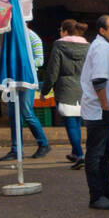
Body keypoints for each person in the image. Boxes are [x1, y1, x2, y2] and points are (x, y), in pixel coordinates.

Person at [80, 15, 109, 210]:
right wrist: (106, 108)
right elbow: (99, 80)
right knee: (96, 154)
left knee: (105, 153)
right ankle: (96, 196)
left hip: (102, 110)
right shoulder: (101, 48)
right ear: (102, 30)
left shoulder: (106, 47)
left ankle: (107, 190)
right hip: (99, 110)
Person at [0, 18, 51, 161]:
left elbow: (39, 61)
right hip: (12, 80)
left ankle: (43, 144)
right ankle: (16, 149)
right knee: (12, 114)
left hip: (27, 80)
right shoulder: (10, 38)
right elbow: (2, 54)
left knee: (26, 112)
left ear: (24, 23)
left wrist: (18, 64)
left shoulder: (34, 38)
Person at [41, 18, 90, 168]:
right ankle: (75, 153)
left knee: (70, 123)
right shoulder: (88, 46)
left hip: (65, 89)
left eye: (61, 30)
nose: (60, 33)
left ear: (65, 31)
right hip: (83, 89)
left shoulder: (59, 45)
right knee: (77, 122)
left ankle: (80, 155)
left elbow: (53, 70)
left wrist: (45, 90)